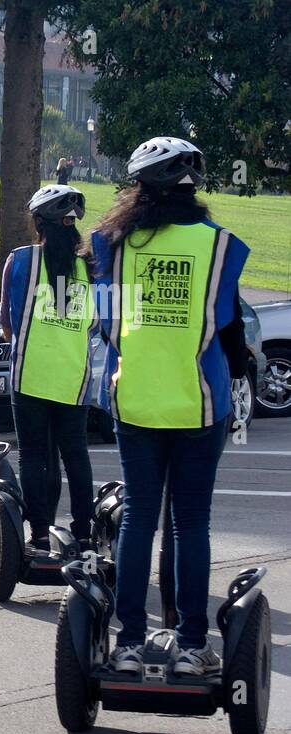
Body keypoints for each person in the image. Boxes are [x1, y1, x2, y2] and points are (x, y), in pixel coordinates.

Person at [88, 136, 249, 678]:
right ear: (192, 184)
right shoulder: (219, 244)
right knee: (191, 523)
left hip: (135, 398)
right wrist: (243, 362)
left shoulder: (114, 245)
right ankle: (190, 644)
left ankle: (129, 642)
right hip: (199, 403)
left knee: (136, 520)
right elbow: (226, 323)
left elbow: (106, 324)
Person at [0, 185, 95, 551]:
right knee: (75, 455)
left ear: (39, 221)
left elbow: (7, 323)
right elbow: (95, 322)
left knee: (35, 456)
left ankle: (39, 532)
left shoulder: (21, 261)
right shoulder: (91, 265)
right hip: (73, 376)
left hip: (31, 376)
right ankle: (84, 532)